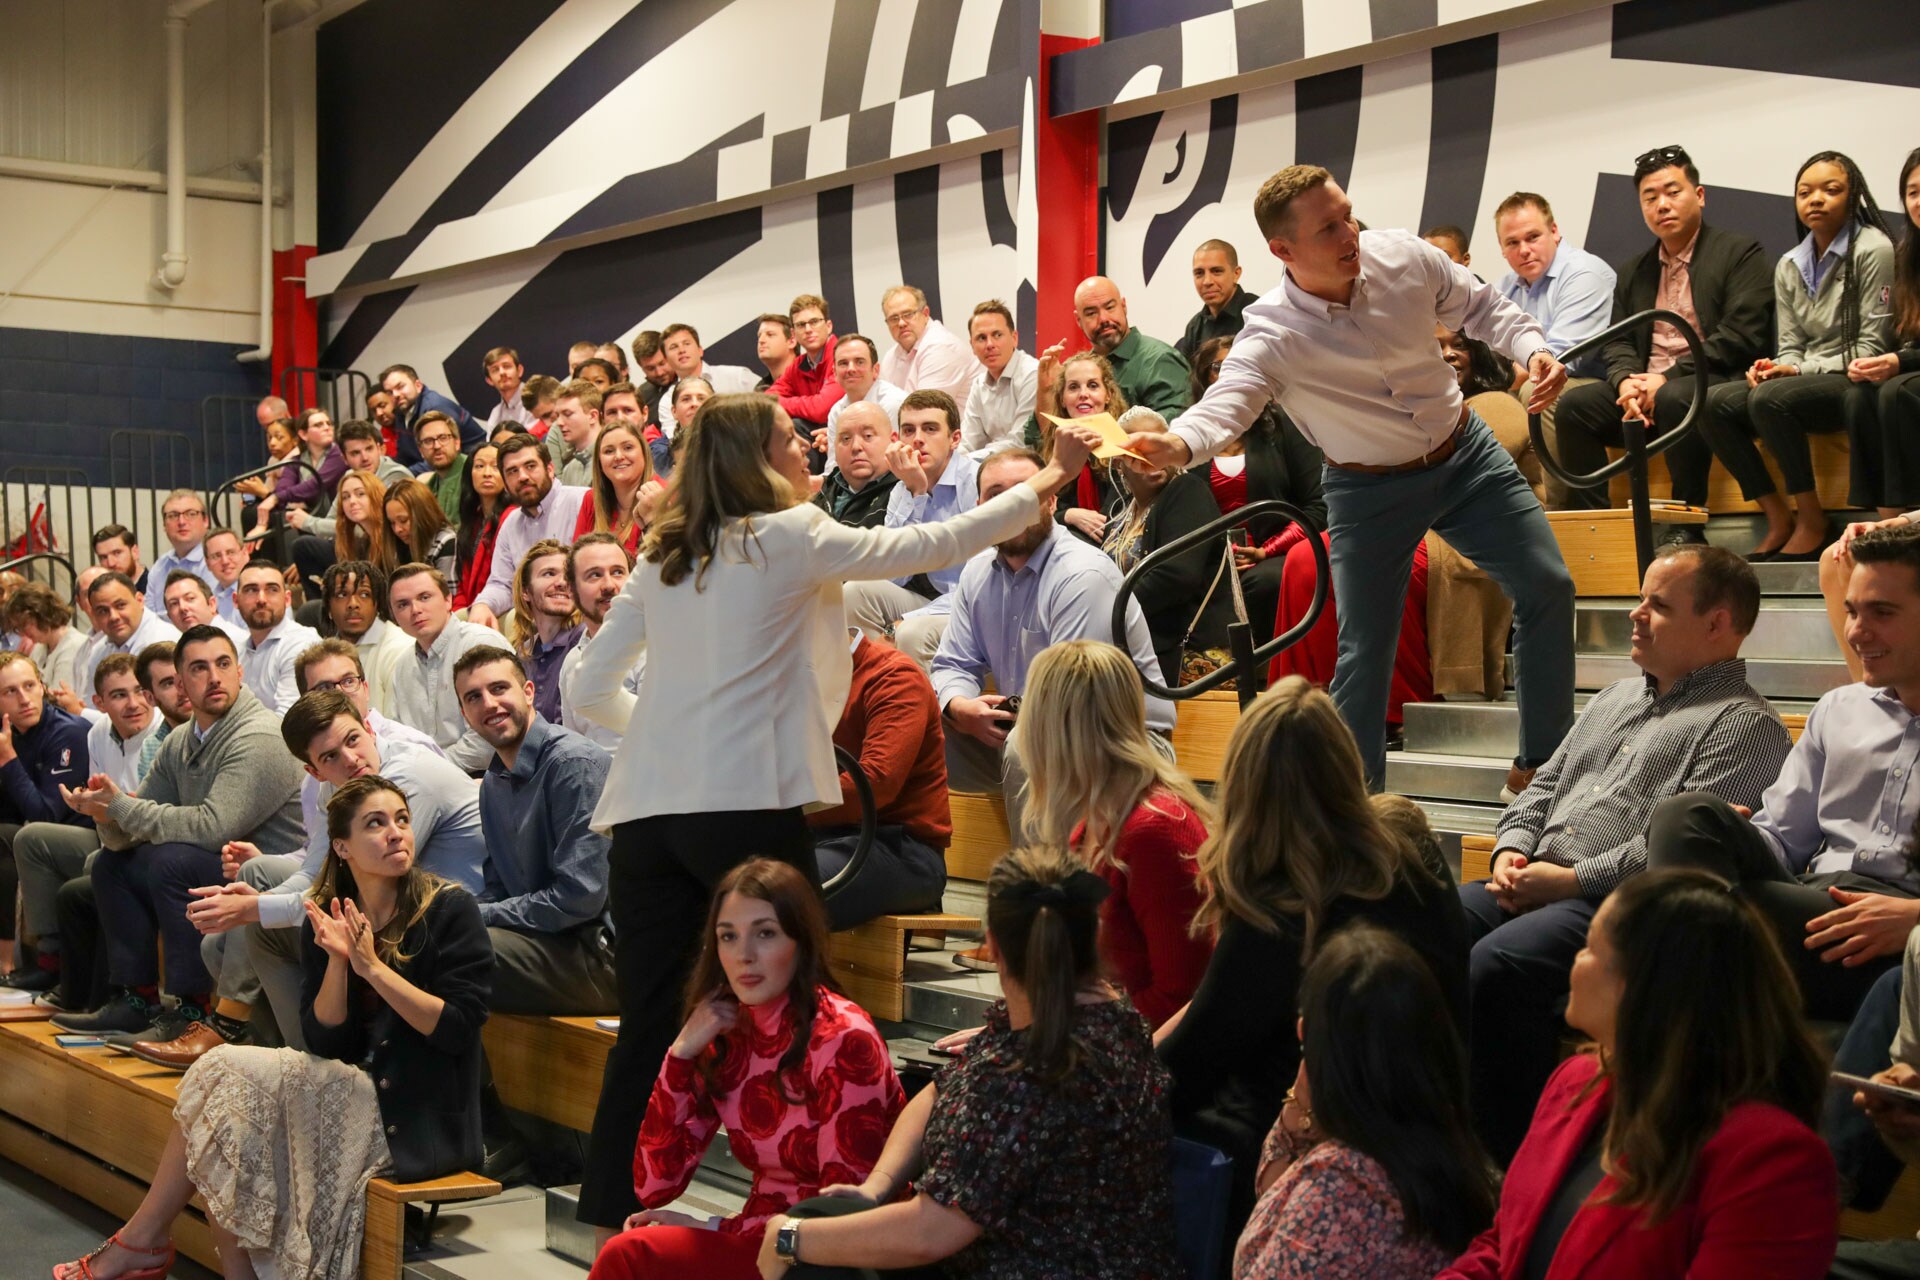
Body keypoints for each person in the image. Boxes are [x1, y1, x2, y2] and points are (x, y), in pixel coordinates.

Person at [567, 392, 1101, 1235]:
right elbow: (937, 541)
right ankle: (841, 1199)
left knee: (647, 1026)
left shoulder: (663, 556)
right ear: (755, 459)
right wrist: (1051, 475)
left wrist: (671, 738)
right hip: (742, 805)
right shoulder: (788, 536)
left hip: (644, 812)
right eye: (789, 440)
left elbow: (587, 688)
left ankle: (608, 1214)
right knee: (808, 1008)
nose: (804, 451)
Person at [1123, 163, 1575, 791]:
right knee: (1365, 653)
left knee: (1548, 585)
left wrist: (1534, 350)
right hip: (1368, 491)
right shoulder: (1273, 331)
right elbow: (1226, 405)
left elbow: (1482, 308)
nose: (1350, 233)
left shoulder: (1404, 257)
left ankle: (1541, 767)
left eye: (1348, 214)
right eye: (1329, 228)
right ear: (1283, 251)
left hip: (1464, 454)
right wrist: (1173, 444)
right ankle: (1359, 805)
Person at [52, 775, 492, 1280]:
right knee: (228, 1116)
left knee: (223, 1076)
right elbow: (328, 1043)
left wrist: (373, 969)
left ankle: (142, 1243)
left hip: (419, 1115)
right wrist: (337, 965)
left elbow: (458, 1028)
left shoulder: (449, 909)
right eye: (376, 823)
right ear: (342, 847)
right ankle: (151, 1245)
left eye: (401, 820)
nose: (396, 833)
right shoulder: (325, 916)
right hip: (350, 1089)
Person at [1462, 545, 1792, 1161]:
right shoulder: (1613, 697)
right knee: (1421, 923)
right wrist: (1510, 849)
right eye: (1640, 598)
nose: (1636, 614)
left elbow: (1678, 853)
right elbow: (1545, 787)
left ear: (1718, 623)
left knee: (1498, 963)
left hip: (1616, 906)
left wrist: (1565, 881)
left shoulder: (1745, 725)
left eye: (1659, 605)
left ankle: (1506, 1167)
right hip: (1533, 879)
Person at [756, 847, 1181, 1280]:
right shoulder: (1111, 1021)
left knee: (810, 1255)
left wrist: (790, 1239)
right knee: (826, 1216)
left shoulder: (1030, 1072)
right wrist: (876, 1187)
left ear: (991, 945)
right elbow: (943, 1086)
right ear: (1095, 935)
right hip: (1027, 1255)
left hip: (1036, 1265)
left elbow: (931, 1233)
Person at [1156, 677, 1468, 1229]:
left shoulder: (1284, 907)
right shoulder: (1413, 850)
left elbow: (1185, 1070)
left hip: (1317, 1150)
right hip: (1438, 1133)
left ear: (1245, 788)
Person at [1436, 869, 1836, 1279]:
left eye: (1590, 948)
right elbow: (1504, 1244)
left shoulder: (1772, 1163)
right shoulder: (1574, 1080)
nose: (1576, 960)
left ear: (1646, 989)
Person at [1644, 525, 1920, 1021]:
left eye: (1882, 613)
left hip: (1889, 928)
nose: (1857, 632)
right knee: (1688, 816)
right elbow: (1782, 839)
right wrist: (1734, 837)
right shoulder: (1839, 709)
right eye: (1852, 611)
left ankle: (1670, 1018)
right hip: (1811, 897)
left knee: (1678, 925)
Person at [589, 860, 904, 1280]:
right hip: (762, 1239)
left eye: (765, 933)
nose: (744, 955)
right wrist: (681, 1054)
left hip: (834, 1257)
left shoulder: (844, 1038)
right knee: (630, 1251)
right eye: (728, 936)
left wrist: (724, 1230)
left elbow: (838, 1211)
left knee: (633, 1253)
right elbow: (654, 1186)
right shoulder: (726, 1030)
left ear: (801, 940)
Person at [52, 626, 304, 1045]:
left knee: (172, 860)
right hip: (219, 863)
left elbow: (213, 826)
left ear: (240, 671)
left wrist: (122, 809)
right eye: (199, 669)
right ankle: (138, 1000)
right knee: (112, 865)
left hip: (269, 869)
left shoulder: (259, 735)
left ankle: (193, 1010)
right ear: (182, 683)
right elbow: (130, 828)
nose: (215, 677)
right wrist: (103, 812)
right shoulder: (181, 740)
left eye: (224, 665)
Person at [931, 448, 1175, 841]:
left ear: (1051, 499)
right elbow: (953, 664)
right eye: (996, 495)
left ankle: (1039, 892)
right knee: (920, 734)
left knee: (1027, 750)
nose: (1012, 504)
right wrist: (959, 707)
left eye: (1025, 490)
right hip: (1031, 727)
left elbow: (1068, 705)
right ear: (978, 508)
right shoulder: (977, 574)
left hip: (1122, 744)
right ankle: (912, 870)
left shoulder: (1082, 574)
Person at [1234, 925, 1495, 1280]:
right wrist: (1299, 1104)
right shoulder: (1443, 1140)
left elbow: (1268, 1216)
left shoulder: (1338, 1186)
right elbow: (1272, 1193)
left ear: (1306, 1034)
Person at [1699, 151, 1897, 561]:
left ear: (1853, 194)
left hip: (1857, 380)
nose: (1816, 199)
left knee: (1771, 398)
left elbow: (1870, 350)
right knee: (1712, 402)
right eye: (1805, 192)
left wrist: (1794, 370)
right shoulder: (1790, 264)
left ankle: (1811, 519)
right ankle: (1778, 517)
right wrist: (1775, 368)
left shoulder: (1874, 249)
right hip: (1807, 381)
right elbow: (1790, 344)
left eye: (1831, 189)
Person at [1552, 145, 1772, 512]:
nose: (1662, 205)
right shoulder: (1634, 270)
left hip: (1713, 380)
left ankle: (1687, 519)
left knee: (1674, 397)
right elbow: (1616, 340)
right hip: (1646, 388)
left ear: (1699, 196)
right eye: (1650, 198)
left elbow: (1741, 335)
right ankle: (1593, 521)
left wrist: (1666, 378)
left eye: (1673, 192)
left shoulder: (1739, 252)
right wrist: (1625, 381)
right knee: (1574, 406)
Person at [1018, 639, 1211, 1027]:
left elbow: (1183, 999)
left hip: (1145, 1068)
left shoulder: (1155, 831)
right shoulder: (1089, 826)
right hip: (1104, 1048)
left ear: (1052, 731)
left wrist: (1060, 1037)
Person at [1129, 335, 1327, 680]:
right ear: (1203, 378)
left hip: (1276, 553)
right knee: (1184, 584)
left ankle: (1267, 680)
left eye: (1237, 365)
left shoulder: (1286, 426)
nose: (1227, 375)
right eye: (1217, 367)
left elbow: (1316, 506)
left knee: (1263, 582)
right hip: (1211, 560)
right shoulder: (1185, 438)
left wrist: (1267, 551)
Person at [6, 643, 183, 999]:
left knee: (97, 868)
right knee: (31, 840)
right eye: (119, 695)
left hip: (146, 842)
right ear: (99, 703)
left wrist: (7, 759)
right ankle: (51, 962)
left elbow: (149, 815)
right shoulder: (97, 732)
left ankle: (111, 994)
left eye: (138, 692)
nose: (133, 704)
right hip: (108, 833)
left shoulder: (163, 736)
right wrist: (93, 805)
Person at [455, 646, 618, 1016]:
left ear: (528, 692)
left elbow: (580, 897)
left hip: (597, 953)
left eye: (499, 688)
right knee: (431, 935)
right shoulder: (493, 782)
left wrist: (477, 917)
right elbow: (499, 887)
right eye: (474, 697)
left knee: (460, 950)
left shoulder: (574, 764)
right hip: (542, 941)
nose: (489, 704)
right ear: (465, 714)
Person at [807, 632, 951, 930]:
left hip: (903, 849)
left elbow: (876, 783)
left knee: (776, 887)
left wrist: (785, 807)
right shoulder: (792, 677)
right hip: (821, 835)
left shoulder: (893, 675)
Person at [1491, 192, 1617, 506]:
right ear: (1502, 249)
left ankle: (1555, 513)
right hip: (1536, 382)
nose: (1524, 250)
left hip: (1597, 388)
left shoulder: (1584, 273)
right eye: (1512, 242)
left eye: (1533, 237)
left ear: (1555, 232)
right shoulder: (1506, 286)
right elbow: (1490, 356)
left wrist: (1501, 379)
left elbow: (1558, 359)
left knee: (1539, 388)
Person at [842, 390, 981, 668]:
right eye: (909, 430)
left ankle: (919, 709)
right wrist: (916, 492)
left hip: (980, 605)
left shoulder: (977, 480)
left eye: (930, 429)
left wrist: (906, 619)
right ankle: (877, 690)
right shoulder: (902, 487)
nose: (917, 439)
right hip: (940, 600)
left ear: (955, 439)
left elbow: (981, 586)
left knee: (912, 632)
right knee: (855, 591)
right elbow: (894, 576)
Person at [0, 652, 92, 977]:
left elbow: (47, 816)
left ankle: (42, 959)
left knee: (22, 837)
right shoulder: (12, 733)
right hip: (39, 834)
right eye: (10, 691)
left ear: (43, 686)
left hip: (87, 836)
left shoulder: (68, 733)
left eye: (29, 686)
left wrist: (7, 760)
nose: (24, 698)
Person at [1844, 146, 1920, 521]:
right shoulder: (1907, 253)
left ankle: (1909, 518)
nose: (1919, 201)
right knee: (1860, 396)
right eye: (1913, 192)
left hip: (1912, 371)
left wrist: (1899, 362)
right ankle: (1886, 518)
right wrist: (1875, 362)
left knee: (1897, 392)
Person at [468, 432, 590, 629]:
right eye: (512, 471)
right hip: (536, 626)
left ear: (550, 469)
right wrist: (483, 604)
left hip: (580, 616)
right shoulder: (511, 524)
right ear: (505, 485)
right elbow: (502, 584)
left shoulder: (583, 502)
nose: (523, 476)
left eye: (530, 466)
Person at [389, 563, 500, 771]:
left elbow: (490, 742)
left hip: (490, 777)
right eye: (403, 604)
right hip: (426, 782)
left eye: (424, 597)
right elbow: (399, 739)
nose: (415, 610)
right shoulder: (402, 666)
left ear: (448, 600)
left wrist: (431, 769)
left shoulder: (479, 644)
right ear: (395, 616)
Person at [1022, 350, 1128, 541]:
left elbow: (1109, 521)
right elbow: (1038, 509)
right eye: (1073, 387)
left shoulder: (1125, 444)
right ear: (1062, 399)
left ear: (1108, 395)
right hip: (1063, 540)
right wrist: (1069, 515)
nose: (1083, 394)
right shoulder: (1052, 446)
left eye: (1093, 386)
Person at [559, 533, 642, 752]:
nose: (609, 585)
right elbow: (574, 747)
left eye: (618, 572)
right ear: (570, 589)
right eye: (594, 575)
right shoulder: (572, 661)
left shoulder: (656, 648)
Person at [1069, 275, 1193, 417]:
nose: (1103, 319)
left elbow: (1173, 427)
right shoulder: (1080, 370)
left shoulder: (1159, 360)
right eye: (1091, 313)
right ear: (1078, 320)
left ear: (1123, 306)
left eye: (1110, 307)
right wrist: (1047, 389)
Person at [320, 560, 411, 716]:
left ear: (377, 604)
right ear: (328, 606)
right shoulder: (323, 654)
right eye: (342, 595)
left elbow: (396, 726)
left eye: (364, 594)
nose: (353, 604)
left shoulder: (399, 649)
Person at [508, 538, 583, 722]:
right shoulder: (524, 651)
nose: (562, 582)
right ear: (526, 591)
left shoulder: (585, 640)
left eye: (568, 575)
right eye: (549, 574)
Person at [74, 571, 179, 700]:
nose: (113, 617)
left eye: (120, 605)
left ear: (140, 600)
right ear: (94, 615)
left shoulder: (163, 641)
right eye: (103, 611)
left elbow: (159, 710)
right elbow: (93, 703)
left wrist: (81, 712)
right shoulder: (98, 652)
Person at [235, 559, 321, 714]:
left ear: (287, 599)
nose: (261, 599)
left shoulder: (302, 643)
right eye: (251, 590)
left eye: (272, 589)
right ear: (236, 600)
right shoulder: (237, 652)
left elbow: (289, 719)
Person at [876, 285, 980, 411]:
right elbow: (882, 408)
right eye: (894, 318)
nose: (901, 323)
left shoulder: (941, 346)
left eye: (908, 314)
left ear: (925, 313)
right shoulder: (891, 356)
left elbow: (924, 412)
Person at [958, 299, 1039, 456]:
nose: (989, 344)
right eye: (981, 338)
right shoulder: (979, 384)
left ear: (1014, 338)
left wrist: (967, 460)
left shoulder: (1032, 373)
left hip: (1028, 467)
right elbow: (968, 442)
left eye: (997, 335)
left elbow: (1021, 444)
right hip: (989, 466)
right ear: (972, 346)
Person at [572, 419, 664, 556]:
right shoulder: (591, 499)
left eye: (628, 448)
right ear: (599, 462)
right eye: (609, 451)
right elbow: (576, 561)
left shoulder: (663, 494)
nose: (619, 456)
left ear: (644, 453)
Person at [814, 402, 900, 527]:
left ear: (893, 441)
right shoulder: (823, 492)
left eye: (868, 436)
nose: (855, 447)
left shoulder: (906, 494)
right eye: (846, 439)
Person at [773, 294, 845, 439]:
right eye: (801, 325)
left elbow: (822, 410)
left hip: (850, 437)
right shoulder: (797, 365)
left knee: (796, 427)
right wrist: (810, 403)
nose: (808, 329)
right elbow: (767, 399)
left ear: (829, 326)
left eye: (814, 322)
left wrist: (784, 403)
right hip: (821, 438)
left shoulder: (842, 357)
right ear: (793, 333)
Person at [382, 361, 482, 464]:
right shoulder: (400, 412)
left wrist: (406, 475)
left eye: (400, 387)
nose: (395, 395)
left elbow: (443, 458)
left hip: (472, 464)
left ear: (418, 385)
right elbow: (404, 457)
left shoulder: (435, 407)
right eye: (389, 392)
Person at [822, 334, 908, 453]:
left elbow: (891, 459)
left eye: (859, 362)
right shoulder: (836, 412)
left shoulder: (894, 403)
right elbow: (833, 465)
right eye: (843, 363)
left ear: (875, 370)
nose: (851, 369)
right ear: (834, 373)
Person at [1179, 239, 1258, 364]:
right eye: (1199, 273)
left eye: (1216, 271)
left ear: (1236, 274)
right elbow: (1186, 379)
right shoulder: (1195, 326)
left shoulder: (1257, 313)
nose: (1207, 281)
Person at [452, 442, 508, 613]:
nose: (487, 473)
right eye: (479, 466)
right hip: (471, 608)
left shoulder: (511, 517)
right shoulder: (472, 520)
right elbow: (463, 582)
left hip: (498, 607)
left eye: (495, 467)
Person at [142, 489, 215, 615]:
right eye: (173, 515)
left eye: (191, 514)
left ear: (205, 521)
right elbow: (149, 618)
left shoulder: (217, 561)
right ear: (164, 525)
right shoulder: (159, 568)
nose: (182, 522)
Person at [6, 581, 85, 694]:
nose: (23, 634)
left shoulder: (74, 645)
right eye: (18, 628)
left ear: (41, 615)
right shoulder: (40, 647)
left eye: (24, 624)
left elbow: (59, 698)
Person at [384, 476, 456, 580]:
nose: (397, 529)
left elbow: (448, 593)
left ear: (422, 514)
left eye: (403, 520)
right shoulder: (398, 545)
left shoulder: (446, 541)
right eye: (392, 523)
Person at [660, 321, 760, 396]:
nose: (681, 350)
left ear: (700, 350)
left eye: (687, 343)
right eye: (674, 347)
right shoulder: (668, 399)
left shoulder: (738, 377)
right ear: (666, 360)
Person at [162, 569, 247, 647]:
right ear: (169, 617)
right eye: (174, 603)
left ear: (212, 604)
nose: (183, 607)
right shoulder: (180, 649)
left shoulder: (239, 643)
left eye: (190, 598)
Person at [418, 410, 470, 524]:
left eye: (443, 438)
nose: (436, 446)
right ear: (421, 451)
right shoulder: (428, 488)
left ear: (457, 443)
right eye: (428, 441)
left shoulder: (472, 471)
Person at [552, 378, 605, 487]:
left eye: (567, 414)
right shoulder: (569, 470)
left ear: (592, 416)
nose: (559, 423)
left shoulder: (612, 459)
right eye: (557, 416)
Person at [339, 417, 412, 487]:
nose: (365, 458)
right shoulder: (350, 476)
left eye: (369, 449)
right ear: (345, 459)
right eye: (355, 453)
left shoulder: (398, 476)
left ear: (379, 449)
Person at [482, 344, 539, 435]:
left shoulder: (537, 399)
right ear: (489, 380)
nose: (502, 372)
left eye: (507, 366)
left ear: (519, 370)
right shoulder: (495, 414)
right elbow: (491, 447)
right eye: (495, 370)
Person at [91, 523, 148, 599]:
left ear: (135, 552)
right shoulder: (103, 595)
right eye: (103, 557)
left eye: (117, 553)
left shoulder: (155, 589)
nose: (111, 563)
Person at [757, 311, 798, 387]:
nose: (761, 340)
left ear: (791, 341)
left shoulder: (811, 381)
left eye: (770, 334)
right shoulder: (760, 389)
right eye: (759, 335)